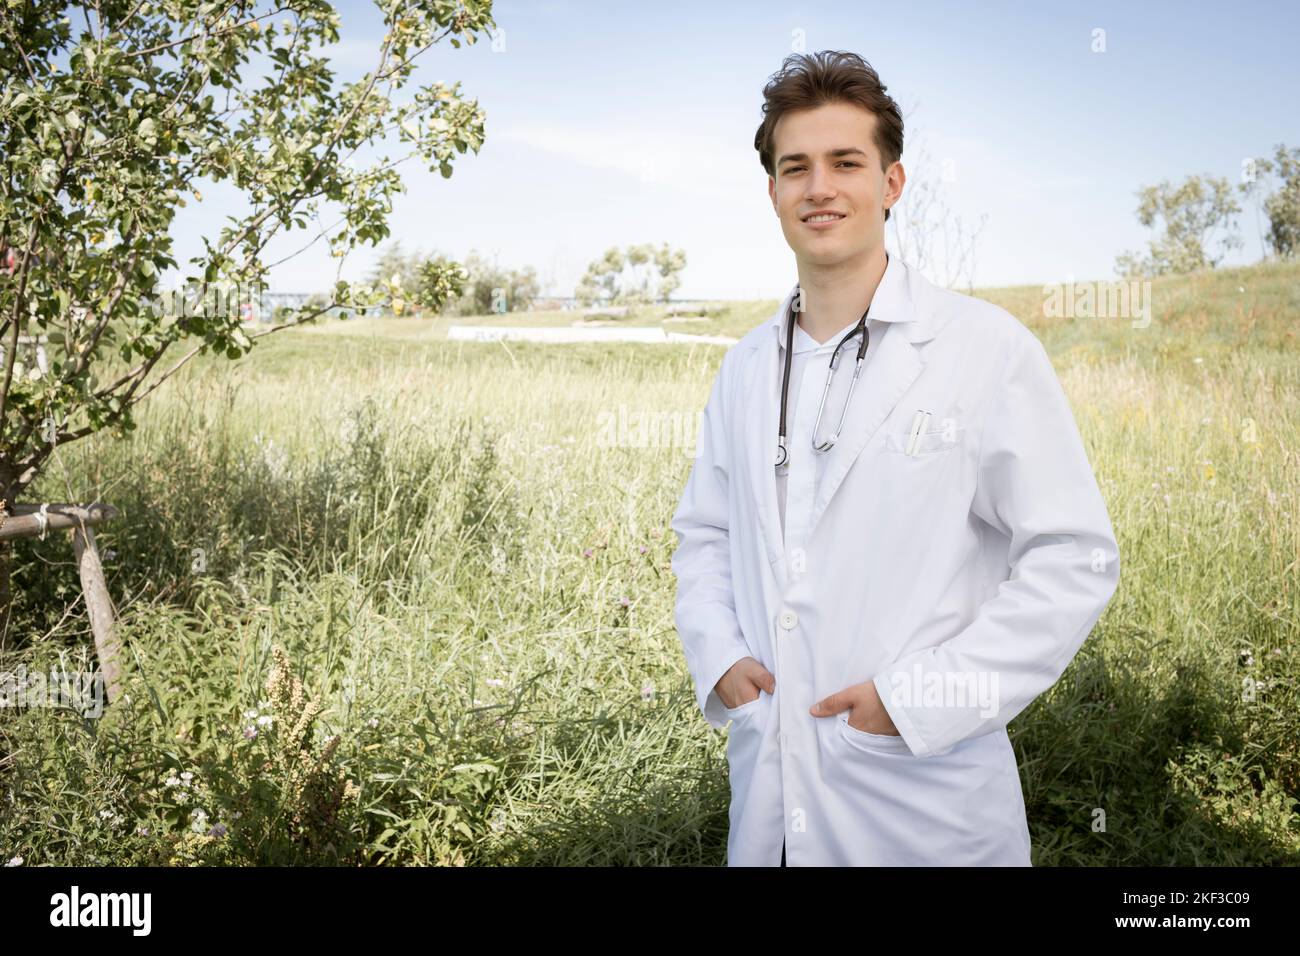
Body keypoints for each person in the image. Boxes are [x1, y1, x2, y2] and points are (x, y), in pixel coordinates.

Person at [669, 51, 1120, 867]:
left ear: (893, 183)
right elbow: (705, 533)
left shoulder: (982, 350)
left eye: (847, 162)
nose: (820, 188)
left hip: (923, 799)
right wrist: (720, 654)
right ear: (771, 189)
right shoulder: (744, 368)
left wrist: (917, 702)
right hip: (774, 786)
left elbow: (1072, 560)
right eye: (794, 167)